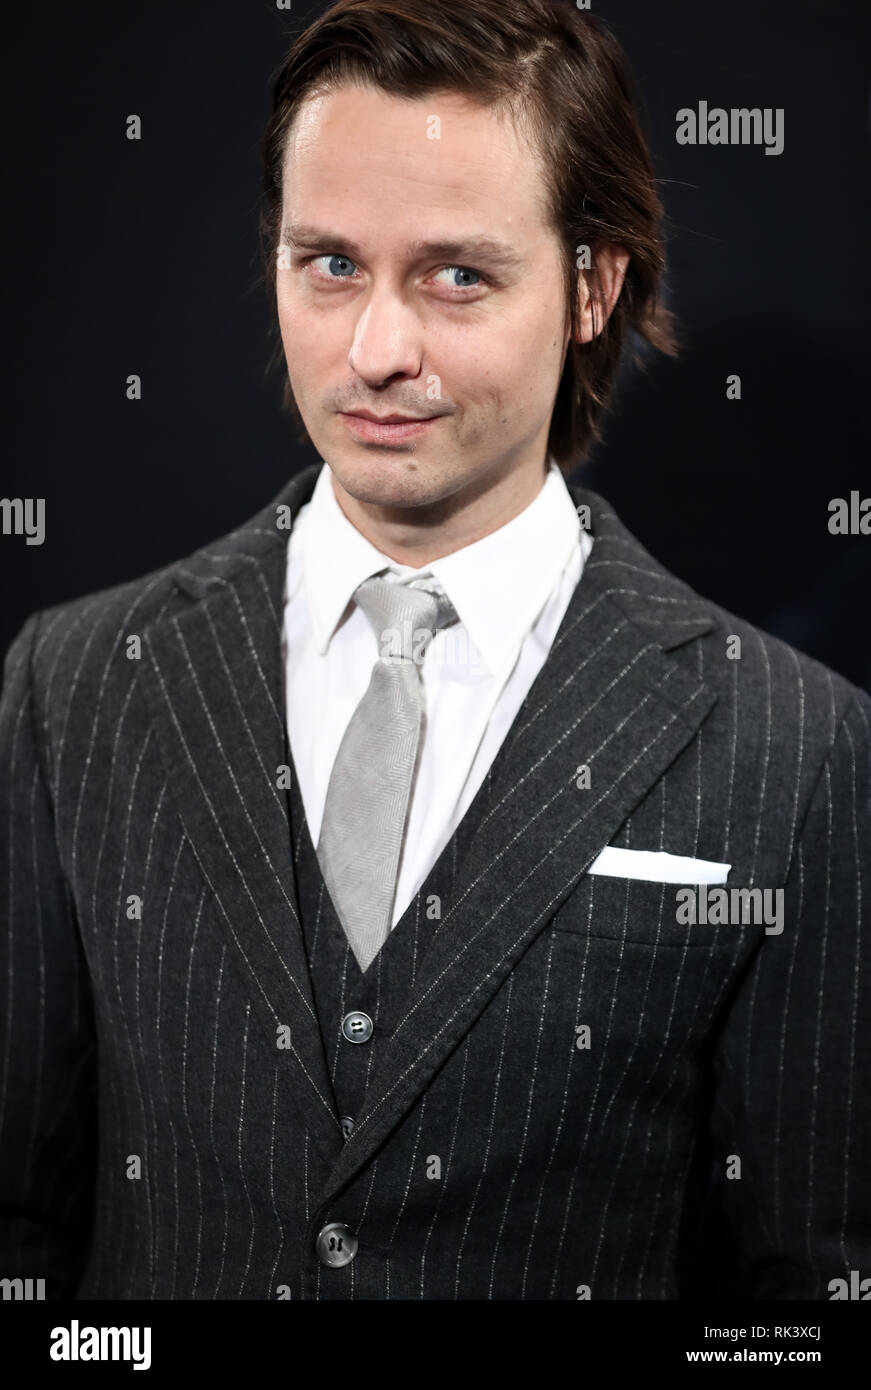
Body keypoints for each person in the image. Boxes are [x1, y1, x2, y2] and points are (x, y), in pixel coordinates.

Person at [1, 0, 868, 1301]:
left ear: (594, 287)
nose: (377, 351)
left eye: (457, 274)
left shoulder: (796, 747)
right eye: (330, 263)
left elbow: (808, 1291)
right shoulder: (71, 683)